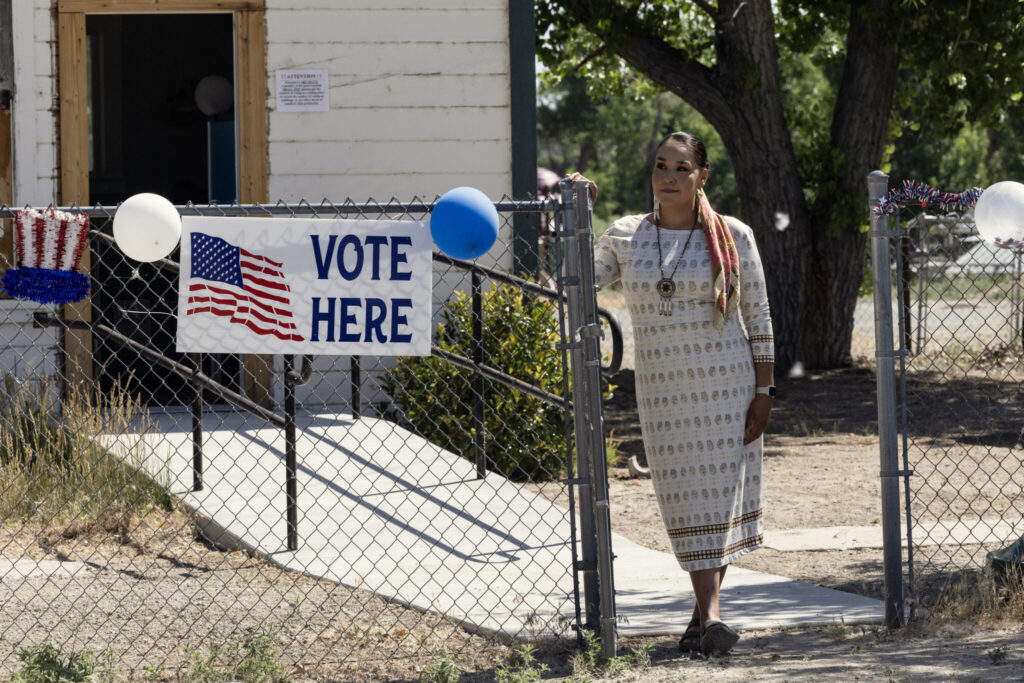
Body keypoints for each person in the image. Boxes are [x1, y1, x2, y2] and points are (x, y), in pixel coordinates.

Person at [568, 131, 774, 657]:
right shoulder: (626, 235)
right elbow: (577, 281)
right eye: (661, 166)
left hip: (727, 385)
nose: (668, 176)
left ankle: (709, 618)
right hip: (663, 393)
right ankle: (702, 620)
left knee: (720, 501)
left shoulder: (733, 235)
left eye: (681, 168)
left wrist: (764, 389)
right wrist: (579, 218)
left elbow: (758, 315)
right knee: (687, 505)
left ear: (702, 176)